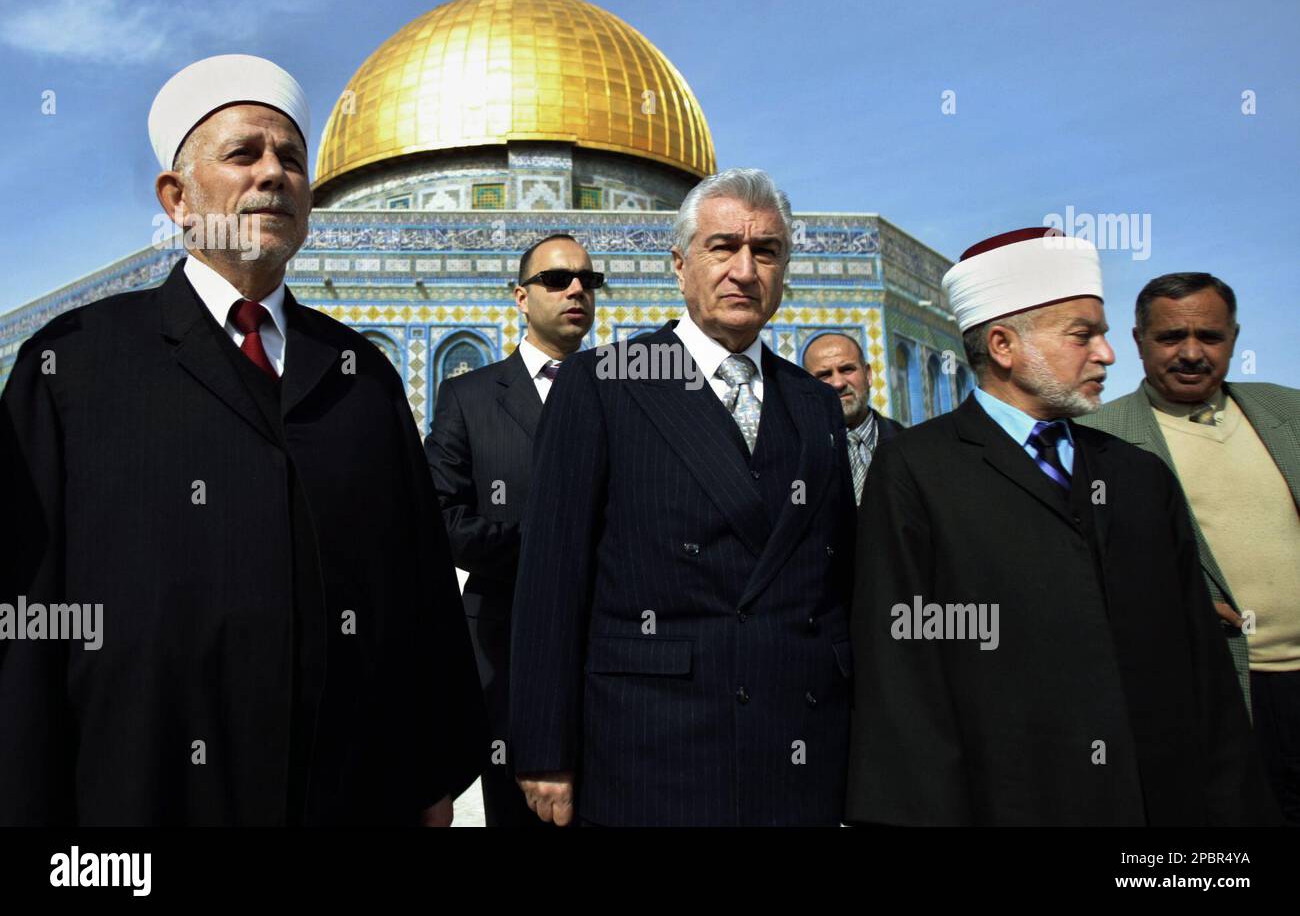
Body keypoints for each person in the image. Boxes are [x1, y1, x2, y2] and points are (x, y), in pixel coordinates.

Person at [0, 54, 485, 825]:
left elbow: (419, 594)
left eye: (291, 159)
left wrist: (432, 776)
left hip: (345, 794)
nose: (273, 174)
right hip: (140, 795)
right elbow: (23, 616)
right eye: (244, 154)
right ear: (177, 198)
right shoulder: (74, 367)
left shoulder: (360, 377)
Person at [845, 227, 1277, 825]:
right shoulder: (917, 471)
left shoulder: (1137, 475)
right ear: (1003, 344)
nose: (1107, 354)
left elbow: (1206, 683)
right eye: (1083, 335)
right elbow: (903, 686)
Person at [510, 168, 856, 826]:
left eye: (767, 251)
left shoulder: (813, 404)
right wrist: (545, 747)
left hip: (794, 748)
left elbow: (835, 581)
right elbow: (551, 577)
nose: (745, 271)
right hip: (650, 745)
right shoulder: (605, 382)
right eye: (723, 247)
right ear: (679, 263)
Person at [1085, 272, 1300, 823]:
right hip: (1219, 691)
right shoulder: (1098, 442)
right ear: (1137, 341)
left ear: (1233, 336)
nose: (1190, 353)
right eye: (1170, 338)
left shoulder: (1288, 414)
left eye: (1209, 336)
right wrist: (1173, 606)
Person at [425, 233, 600, 826]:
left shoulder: (626, 393)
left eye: (587, 280)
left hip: (614, 658)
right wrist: (543, 550)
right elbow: (438, 514)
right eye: (557, 279)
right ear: (521, 298)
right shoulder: (469, 396)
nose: (576, 289)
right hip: (506, 653)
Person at [803, 332, 904, 504]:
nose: (838, 383)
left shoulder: (908, 444)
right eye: (824, 375)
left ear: (868, 375)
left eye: (847, 369)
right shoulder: (794, 452)